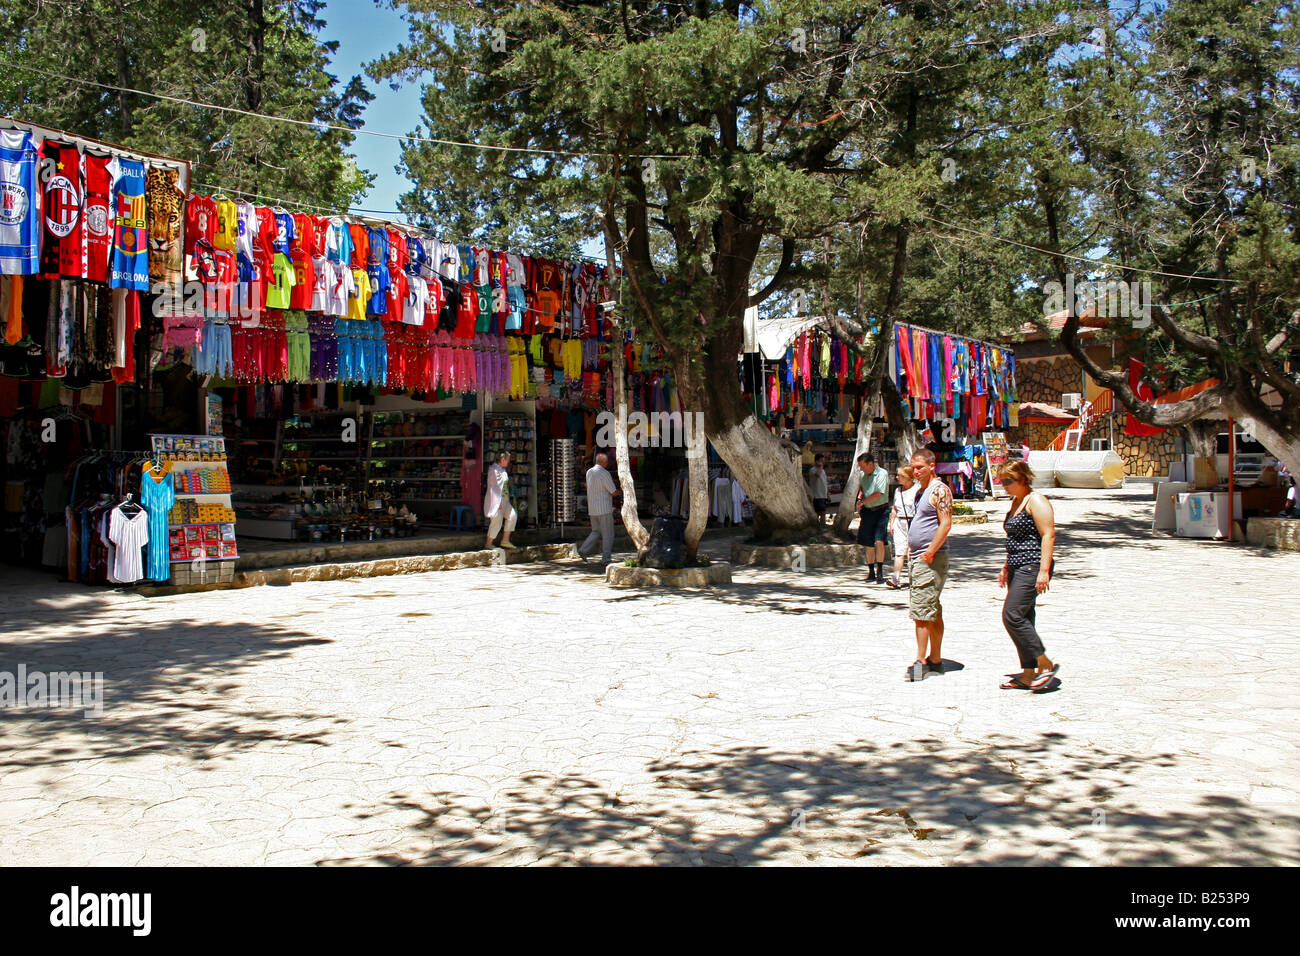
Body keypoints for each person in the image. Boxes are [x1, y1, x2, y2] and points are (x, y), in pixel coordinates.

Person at [997, 460, 1060, 692]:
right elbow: (1014, 539)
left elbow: (1048, 535)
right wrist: (1005, 567)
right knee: (1025, 617)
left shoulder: (1036, 501)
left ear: (1024, 479)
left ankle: (1045, 663)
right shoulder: (1016, 502)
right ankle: (1027, 673)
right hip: (1016, 566)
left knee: (1012, 615)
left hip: (1032, 565)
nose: (1004, 485)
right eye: (1001, 481)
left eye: (1008, 481)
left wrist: (1044, 571)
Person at [906, 449, 953, 681]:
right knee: (931, 608)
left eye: (920, 467)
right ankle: (935, 658)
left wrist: (930, 552)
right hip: (918, 556)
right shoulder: (920, 491)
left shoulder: (940, 490)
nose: (916, 471)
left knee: (921, 612)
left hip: (930, 558)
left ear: (932, 466)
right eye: (913, 467)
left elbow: (945, 523)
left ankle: (920, 661)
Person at [855, 452, 890, 583]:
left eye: (862, 466)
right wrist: (859, 498)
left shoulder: (882, 474)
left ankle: (880, 570)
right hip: (868, 511)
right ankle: (871, 572)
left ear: (871, 464)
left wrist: (863, 502)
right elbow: (863, 488)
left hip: (881, 510)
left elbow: (878, 494)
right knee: (868, 542)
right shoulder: (862, 474)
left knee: (879, 541)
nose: (861, 469)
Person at [578, 452, 619, 565]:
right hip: (604, 508)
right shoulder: (605, 473)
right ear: (604, 463)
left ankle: (583, 549)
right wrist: (620, 492)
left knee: (596, 531)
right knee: (608, 534)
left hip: (593, 509)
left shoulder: (589, 472)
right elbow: (612, 491)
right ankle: (606, 559)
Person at [886, 465, 918, 589]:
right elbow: (895, 508)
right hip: (900, 522)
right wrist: (892, 523)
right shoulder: (898, 490)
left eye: (899, 475)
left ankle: (913, 578)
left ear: (907, 477)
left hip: (913, 522)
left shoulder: (917, 489)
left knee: (911, 551)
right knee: (899, 551)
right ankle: (896, 578)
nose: (897, 477)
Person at [483, 451, 516, 550]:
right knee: (496, 522)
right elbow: (495, 488)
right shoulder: (493, 470)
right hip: (497, 500)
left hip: (504, 499)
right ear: (502, 459)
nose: (508, 462)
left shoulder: (502, 470)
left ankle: (505, 540)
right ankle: (488, 544)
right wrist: (497, 502)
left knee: (512, 516)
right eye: (507, 460)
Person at [808, 453, 830, 524]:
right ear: (816, 461)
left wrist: (827, 494)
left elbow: (824, 483)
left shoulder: (823, 471)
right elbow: (817, 475)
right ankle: (820, 527)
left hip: (823, 495)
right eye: (821, 461)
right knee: (820, 513)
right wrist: (820, 467)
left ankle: (822, 526)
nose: (822, 463)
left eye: (823, 461)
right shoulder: (813, 470)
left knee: (822, 513)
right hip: (816, 495)